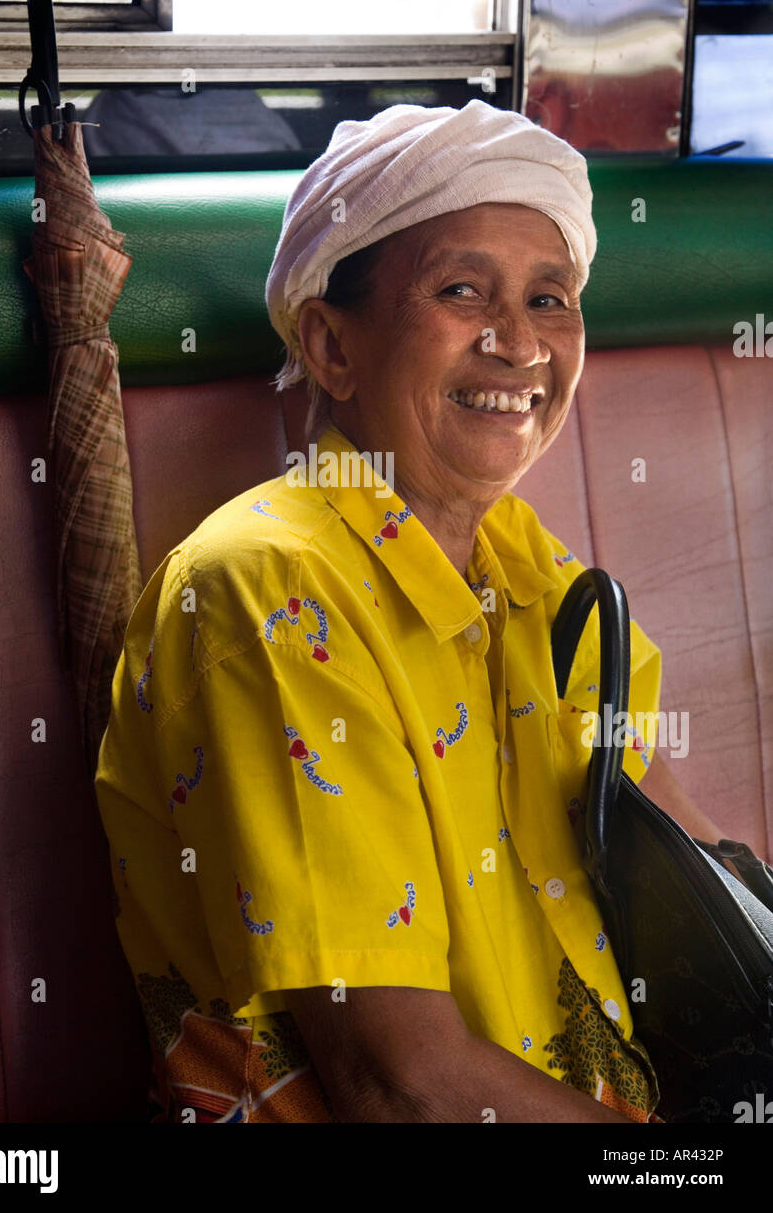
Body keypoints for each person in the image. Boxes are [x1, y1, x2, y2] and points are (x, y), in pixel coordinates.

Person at [95, 99, 733, 1124]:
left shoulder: (534, 569)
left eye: (549, 297)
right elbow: (401, 1086)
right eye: (459, 289)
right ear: (332, 348)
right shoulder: (267, 589)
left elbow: (699, 874)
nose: (519, 342)